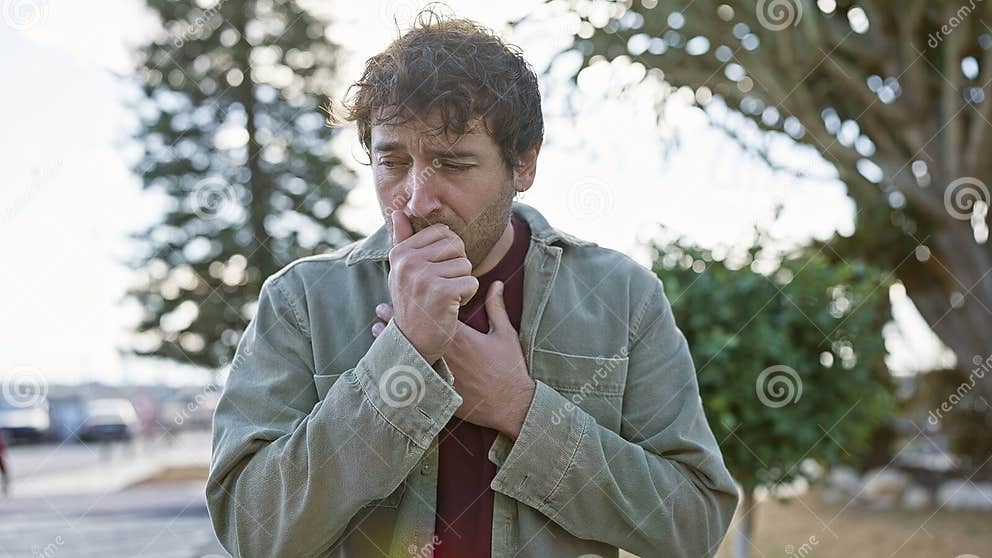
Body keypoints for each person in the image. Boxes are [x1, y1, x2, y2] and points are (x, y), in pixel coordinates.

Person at [206, 9, 739, 558]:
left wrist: (520, 408)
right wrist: (402, 361)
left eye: (453, 163)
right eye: (392, 161)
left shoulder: (623, 297)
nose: (416, 198)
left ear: (524, 165)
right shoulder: (300, 302)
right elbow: (253, 530)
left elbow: (693, 523)